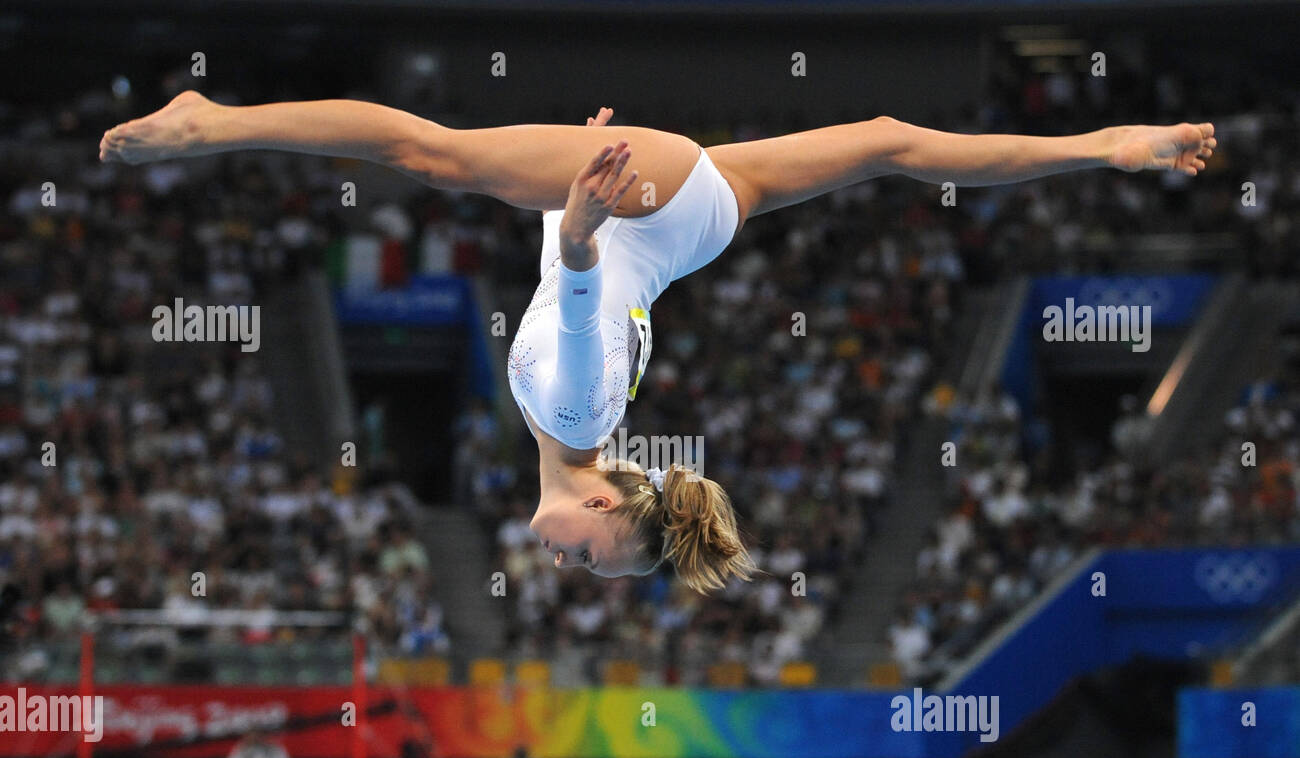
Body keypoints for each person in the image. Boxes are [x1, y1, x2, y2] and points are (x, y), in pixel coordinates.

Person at [101, 92, 1216, 592]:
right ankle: (210, 125)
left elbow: (579, 289)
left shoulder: (586, 426)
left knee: (890, 142)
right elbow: (580, 294)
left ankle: (1108, 141)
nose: (562, 560)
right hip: (642, 210)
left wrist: (564, 202)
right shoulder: (580, 422)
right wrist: (581, 213)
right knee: (426, 151)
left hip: (698, 224)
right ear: (600, 504)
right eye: (589, 555)